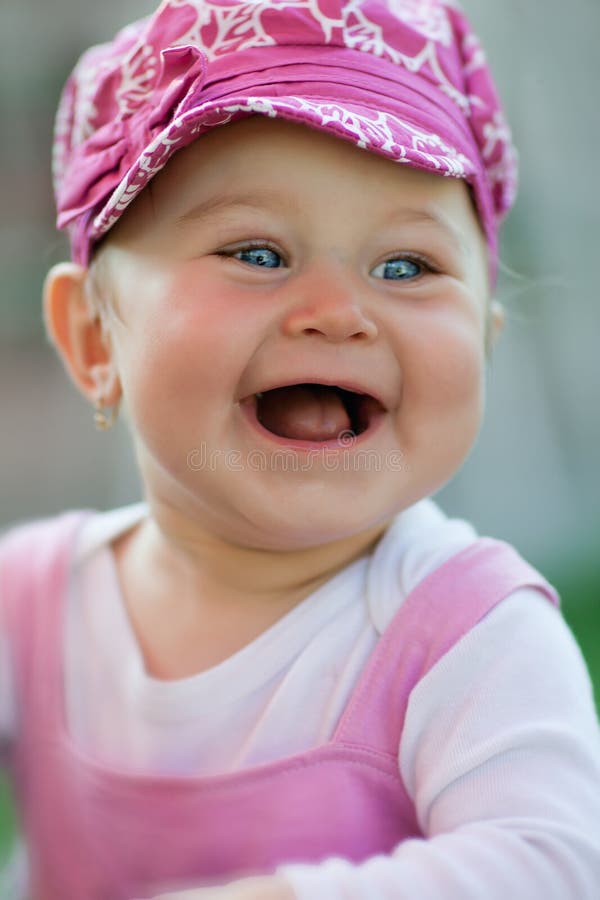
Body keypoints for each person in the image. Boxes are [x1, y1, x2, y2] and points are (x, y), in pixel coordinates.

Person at [1, 0, 599, 897]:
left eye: (405, 266)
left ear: (484, 335)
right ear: (94, 342)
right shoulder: (30, 604)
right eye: (256, 252)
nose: (337, 310)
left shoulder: (468, 631)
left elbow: (553, 862)